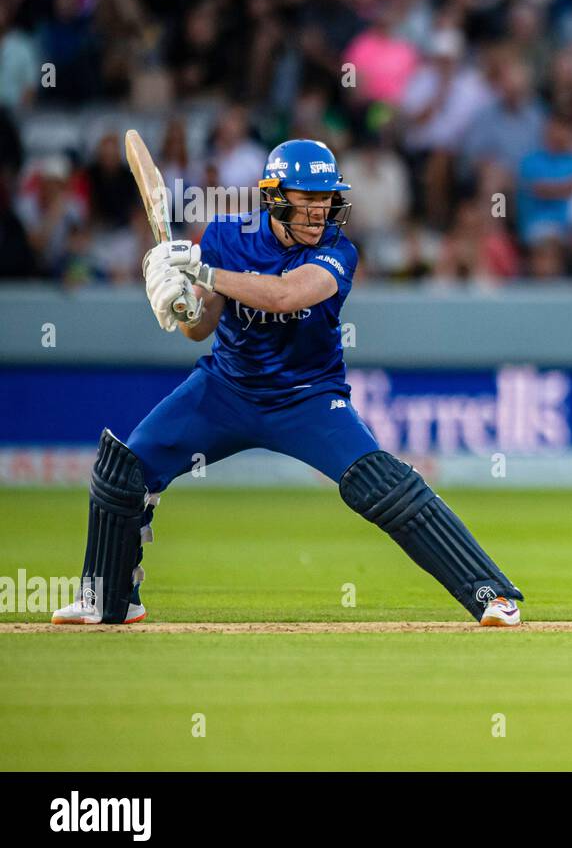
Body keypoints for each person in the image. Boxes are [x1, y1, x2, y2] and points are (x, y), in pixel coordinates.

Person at [52, 139, 523, 627]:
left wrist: (205, 271)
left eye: (327, 198)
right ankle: (109, 600)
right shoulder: (226, 234)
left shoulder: (339, 251)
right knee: (123, 472)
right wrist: (183, 302)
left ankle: (490, 594)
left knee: (381, 484)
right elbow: (200, 328)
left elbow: (284, 295)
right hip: (226, 390)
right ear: (276, 197)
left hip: (308, 397)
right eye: (309, 197)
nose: (321, 210)